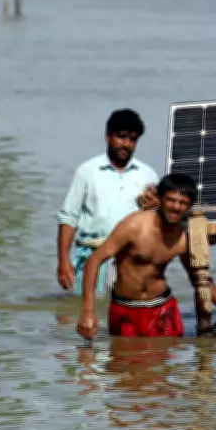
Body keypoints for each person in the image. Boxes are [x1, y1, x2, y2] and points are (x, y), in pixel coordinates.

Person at [76, 173, 216, 340]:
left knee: (165, 359)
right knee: (124, 358)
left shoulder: (182, 238)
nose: (176, 207)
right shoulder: (134, 225)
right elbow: (94, 261)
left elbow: (199, 277)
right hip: (125, 308)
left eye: (183, 203)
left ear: (189, 206)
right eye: (171, 200)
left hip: (162, 308)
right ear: (159, 199)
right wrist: (88, 311)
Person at [57, 109, 159, 296]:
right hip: (92, 256)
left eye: (132, 139)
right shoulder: (87, 171)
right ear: (107, 136)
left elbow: (159, 223)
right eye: (121, 137)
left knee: (130, 311)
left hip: (132, 261)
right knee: (86, 309)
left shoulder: (148, 175)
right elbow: (68, 218)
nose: (126, 144)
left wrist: (155, 208)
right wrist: (64, 261)